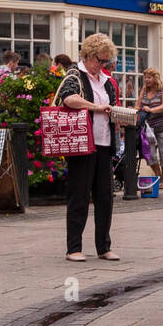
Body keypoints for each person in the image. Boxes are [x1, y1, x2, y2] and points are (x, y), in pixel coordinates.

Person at [57, 33, 119, 262]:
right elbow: (68, 99)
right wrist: (95, 107)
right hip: (82, 145)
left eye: (106, 62)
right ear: (88, 55)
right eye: (100, 60)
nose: (102, 65)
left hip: (104, 143)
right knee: (79, 196)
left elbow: (111, 106)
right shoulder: (75, 75)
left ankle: (104, 247)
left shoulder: (106, 81)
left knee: (105, 197)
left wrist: (119, 116)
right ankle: (74, 248)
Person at [137, 67, 163, 188]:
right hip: (149, 126)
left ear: (155, 78)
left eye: (149, 77)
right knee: (150, 153)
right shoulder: (144, 90)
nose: (146, 80)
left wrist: (151, 110)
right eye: (145, 77)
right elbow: (138, 105)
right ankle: (158, 176)